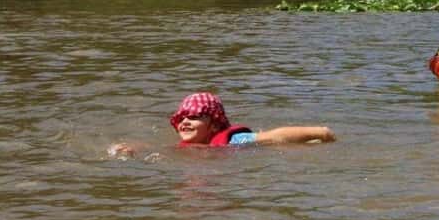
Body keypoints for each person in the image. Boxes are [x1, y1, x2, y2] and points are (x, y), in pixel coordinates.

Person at [109, 92, 335, 157]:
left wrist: (319, 133)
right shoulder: (188, 145)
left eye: (195, 117)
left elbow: (274, 136)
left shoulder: (234, 140)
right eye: (181, 118)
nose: (186, 122)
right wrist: (132, 149)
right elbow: (159, 149)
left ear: (215, 125)